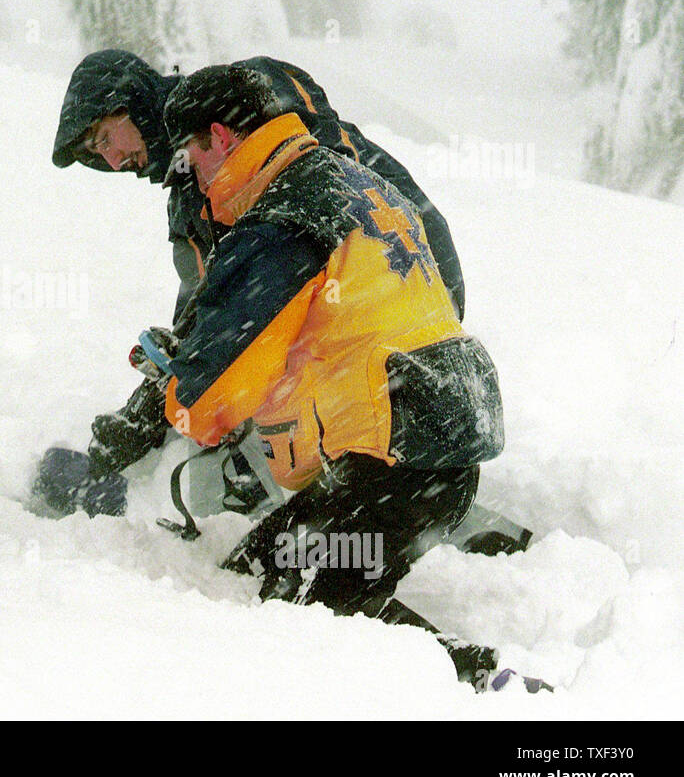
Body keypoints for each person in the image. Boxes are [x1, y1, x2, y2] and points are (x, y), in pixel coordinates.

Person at [158, 64, 525, 688]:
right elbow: (322, 331)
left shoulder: (282, 215)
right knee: (266, 565)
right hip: (432, 432)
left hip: (403, 453)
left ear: (220, 137)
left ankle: (488, 687)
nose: (191, 173)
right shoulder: (347, 178)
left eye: (190, 153)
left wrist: (175, 386)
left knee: (320, 616)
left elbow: (209, 392)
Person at [39, 50, 464, 516]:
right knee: (258, 446)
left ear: (132, 100)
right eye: (97, 154)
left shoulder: (245, 103)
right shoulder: (194, 200)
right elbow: (211, 323)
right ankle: (359, 517)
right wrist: (131, 430)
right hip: (385, 306)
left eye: (105, 137)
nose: (114, 161)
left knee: (297, 435)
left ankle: (376, 523)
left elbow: (314, 219)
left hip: (401, 292)